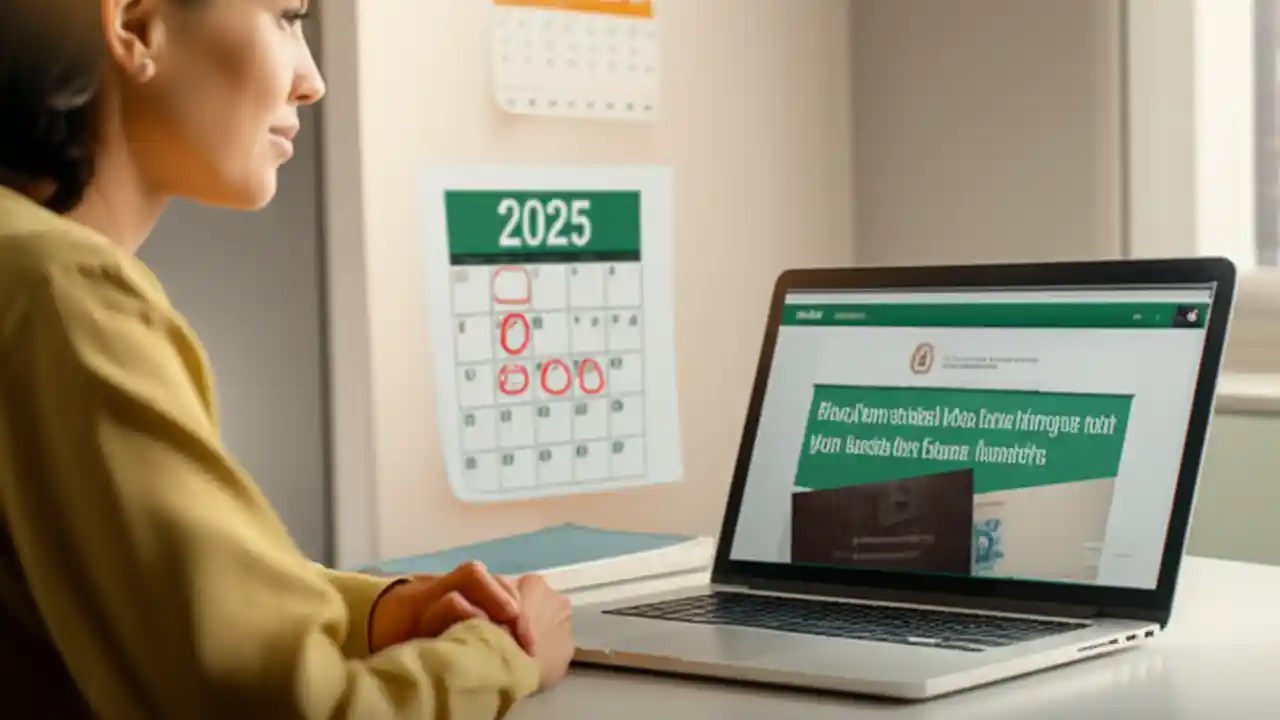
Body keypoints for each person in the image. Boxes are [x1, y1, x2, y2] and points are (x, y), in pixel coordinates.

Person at [0, 0, 574, 716]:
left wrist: (381, 611)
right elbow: (282, 705)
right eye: (286, 15)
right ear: (135, 24)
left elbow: (149, 586)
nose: (312, 81)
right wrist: (505, 655)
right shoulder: (62, 296)